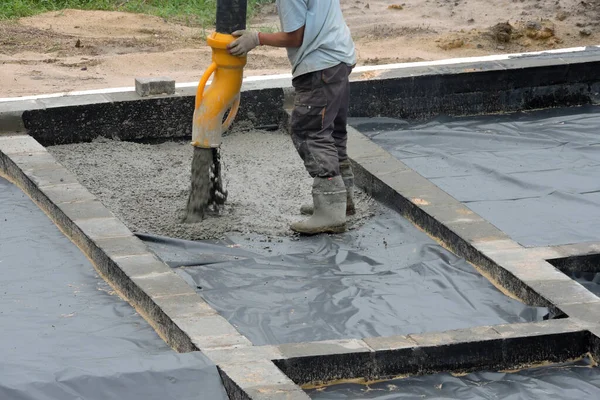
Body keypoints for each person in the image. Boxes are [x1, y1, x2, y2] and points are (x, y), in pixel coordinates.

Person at [228, 0, 356, 235]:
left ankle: (330, 213)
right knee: (332, 132)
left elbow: (295, 37)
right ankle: (341, 200)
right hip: (339, 58)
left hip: (319, 66)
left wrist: (257, 38)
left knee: (309, 132)